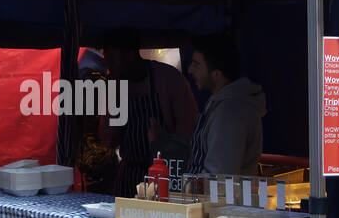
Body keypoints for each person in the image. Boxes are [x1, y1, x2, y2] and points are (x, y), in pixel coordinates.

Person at [99, 31, 198, 197]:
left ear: (131, 54)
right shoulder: (116, 86)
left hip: (164, 175)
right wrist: (115, 99)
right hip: (129, 175)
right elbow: (109, 140)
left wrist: (163, 141)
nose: (109, 67)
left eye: (112, 59)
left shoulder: (168, 79)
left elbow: (189, 133)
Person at [185, 33, 266, 177]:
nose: (190, 70)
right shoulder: (220, 106)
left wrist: (190, 187)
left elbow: (220, 176)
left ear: (216, 74)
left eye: (196, 64)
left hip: (222, 199)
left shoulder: (229, 114)